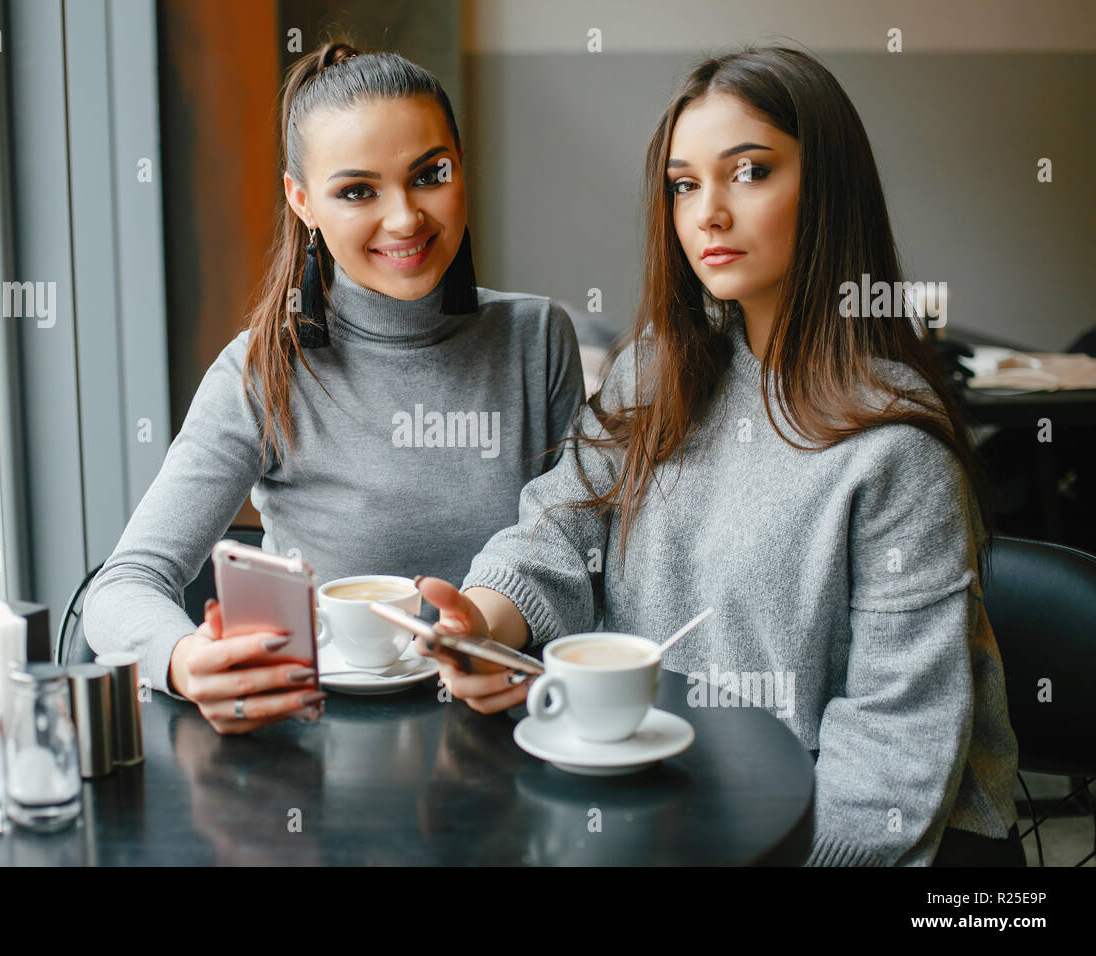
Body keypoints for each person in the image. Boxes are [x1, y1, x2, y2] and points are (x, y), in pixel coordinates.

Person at [416, 46, 1021, 866]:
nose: (707, 213)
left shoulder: (896, 453)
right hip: (680, 816)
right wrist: (486, 619)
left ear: (829, 187)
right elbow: (558, 527)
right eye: (683, 184)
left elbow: (887, 768)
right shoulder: (658, 367)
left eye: (749, 172)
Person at [82, 41, 585, 735]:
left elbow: (573, 551)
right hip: (324, 751)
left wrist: (502, 625)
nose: (406, 218)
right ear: (302, 200)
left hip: (515, 736)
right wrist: (180, 659)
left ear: (461, 167)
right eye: (357, 191)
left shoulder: (537, 339)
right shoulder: (262, 371)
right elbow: (123, 585)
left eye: (429, 174)